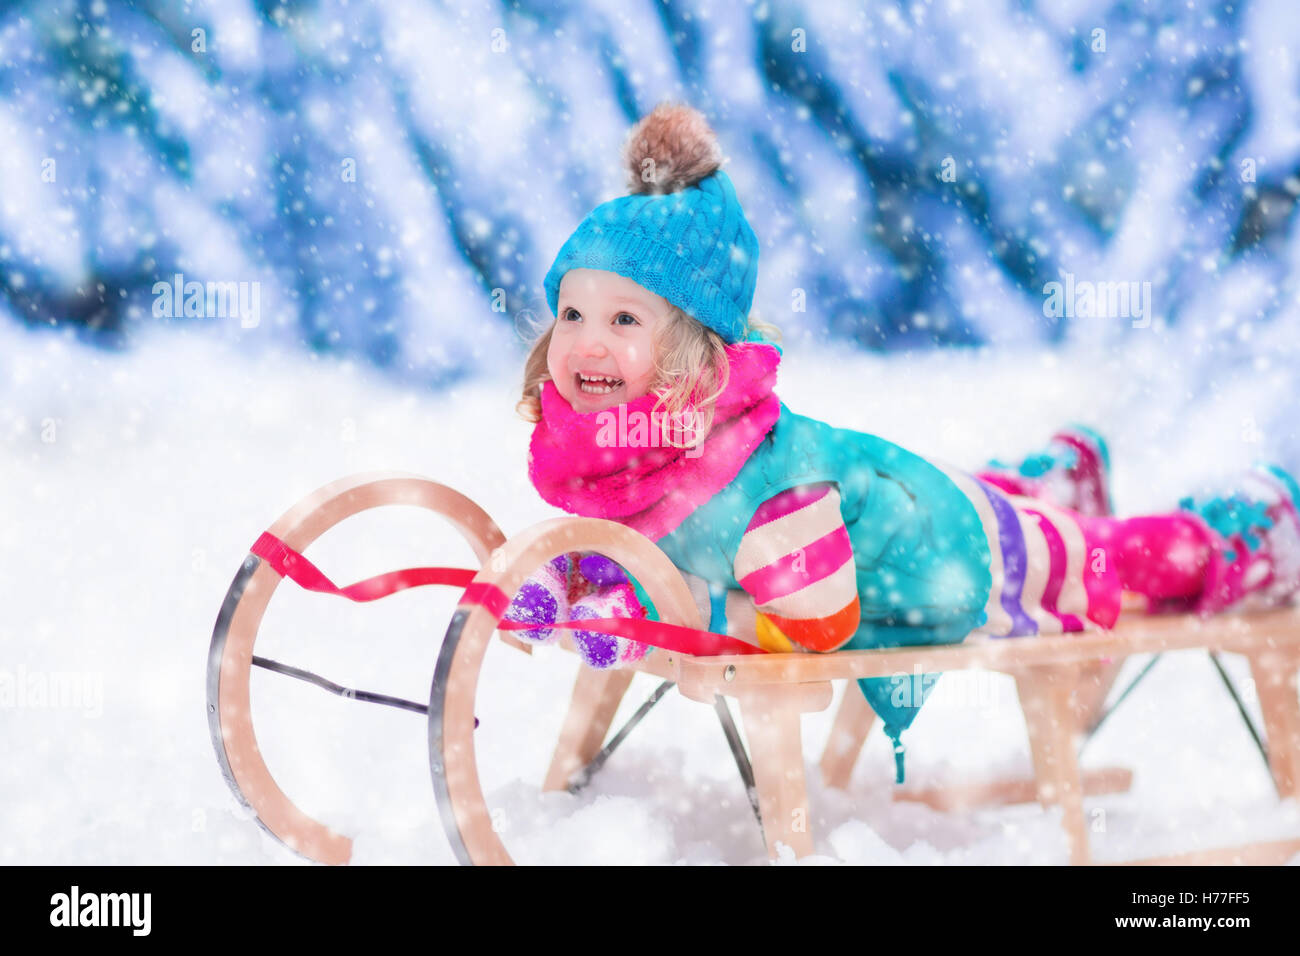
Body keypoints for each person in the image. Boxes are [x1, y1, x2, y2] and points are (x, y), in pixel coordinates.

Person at [504, 102, 1300, 780]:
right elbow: (664, 551)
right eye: (572, 315)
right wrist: (588, 583)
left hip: (954, 553)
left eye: (623, 320)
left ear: (688, 353)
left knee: (1095, 557)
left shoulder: (759, 483)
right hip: (904, 496)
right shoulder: (626, 458)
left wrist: (644, 603)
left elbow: (810, 623)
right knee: (1027, 515)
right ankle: (1053, 478)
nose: (586, 344)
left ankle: (1240, 531)